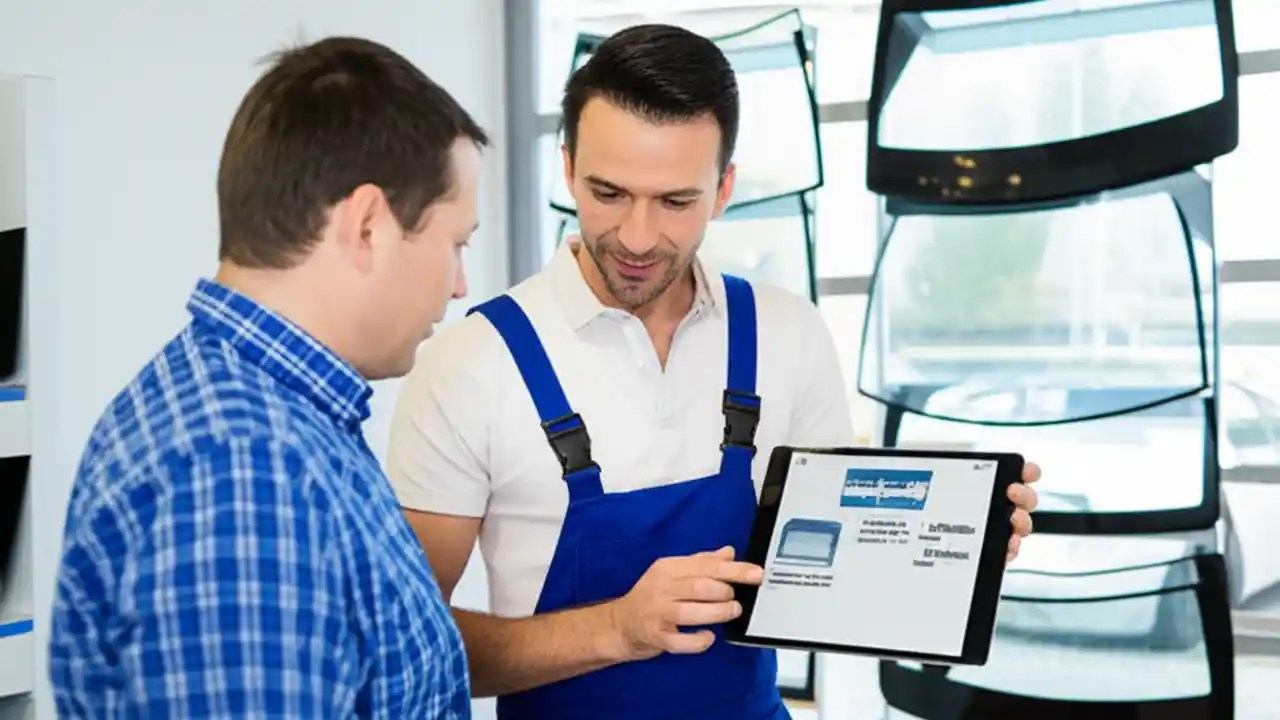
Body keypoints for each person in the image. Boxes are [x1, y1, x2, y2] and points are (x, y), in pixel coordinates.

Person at [385, 23, 1039, 720]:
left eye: (675, 201)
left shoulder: (788, 334)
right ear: (569, 168)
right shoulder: (471, 362)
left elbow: (840, 578)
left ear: (723, 188)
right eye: (609, 193)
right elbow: (406, 647)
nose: (637, 238)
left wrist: (951, 555)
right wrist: (615, 629)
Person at [48, 37, 487, 718]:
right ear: (368, 224)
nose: (459, 284)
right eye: (455, 243)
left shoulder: (277, 421)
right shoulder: (245, 469)